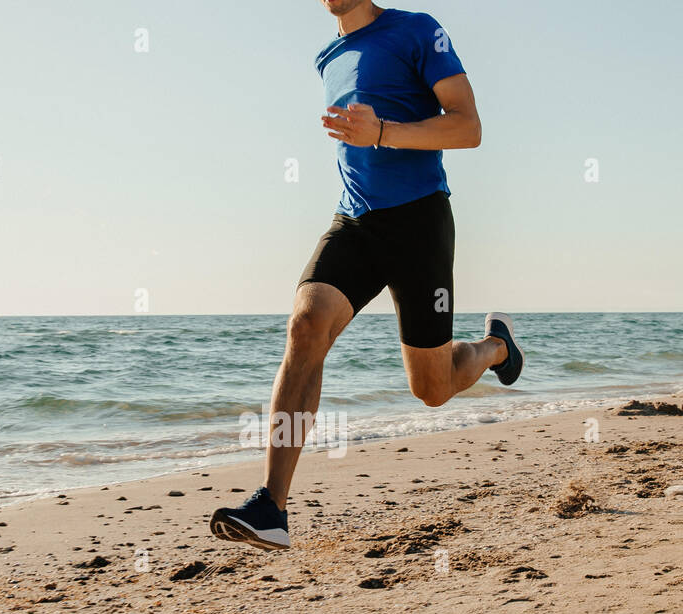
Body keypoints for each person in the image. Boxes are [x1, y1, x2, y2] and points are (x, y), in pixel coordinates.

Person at [210, 2, 524, 551]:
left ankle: (497, 347)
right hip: (353, 221)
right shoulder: (327, 57)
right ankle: (272, 507)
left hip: (419, 220)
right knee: (306, 325)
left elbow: (468, 127)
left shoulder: (417, 30)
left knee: (432, 388)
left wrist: (381, 130)